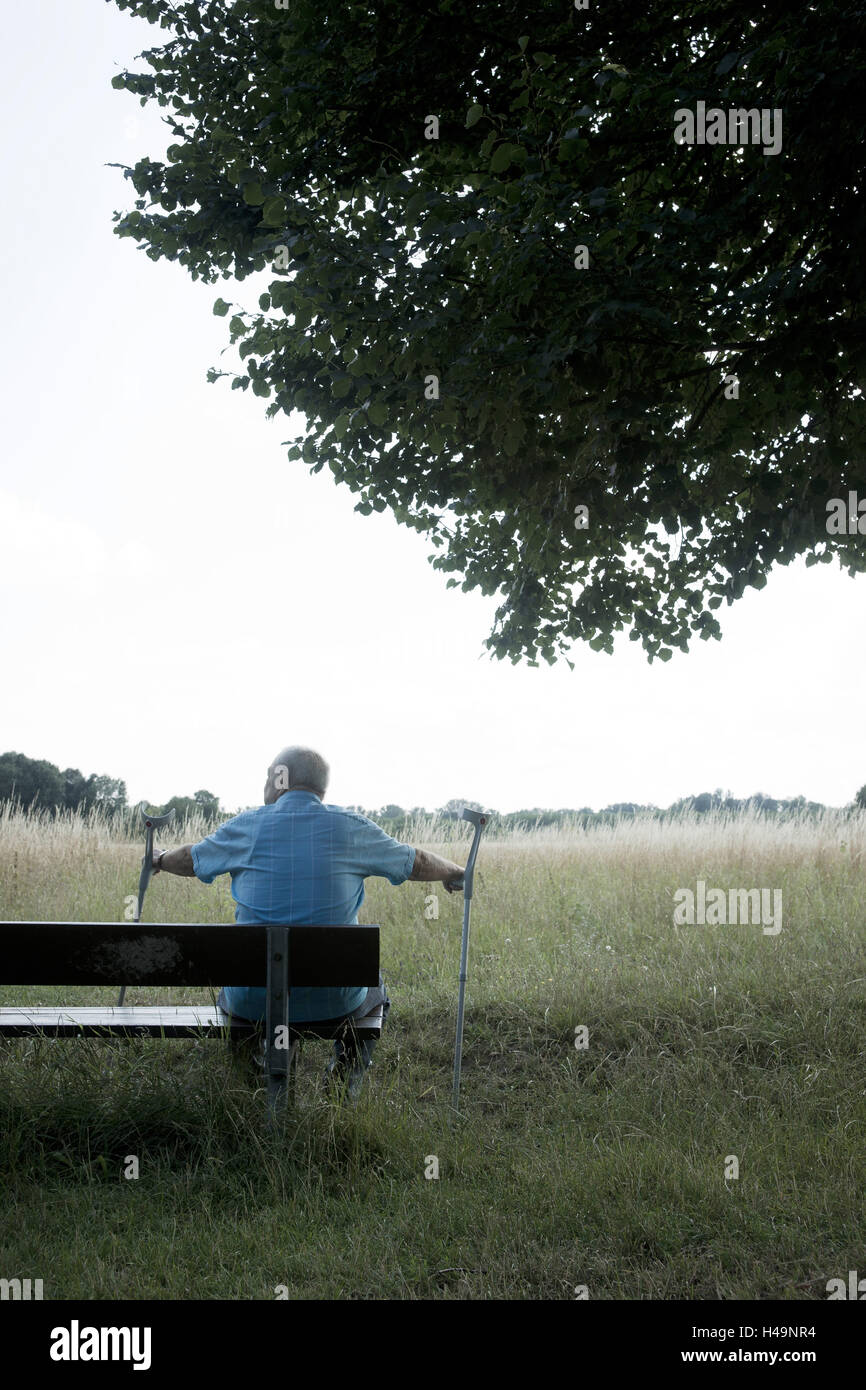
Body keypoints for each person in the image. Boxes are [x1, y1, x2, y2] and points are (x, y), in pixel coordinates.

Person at [152, 746, 466, 1099]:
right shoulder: (350, 829)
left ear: (279, 777)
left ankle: (257, 1076)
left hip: (253, 1001)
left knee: (240, 987)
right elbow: (417, 862)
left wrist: (160, 859)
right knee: (375, 987)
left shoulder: (246, 827)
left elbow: (191, 860)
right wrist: (454, 871)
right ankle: (340, 1085)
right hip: (333, 1000)